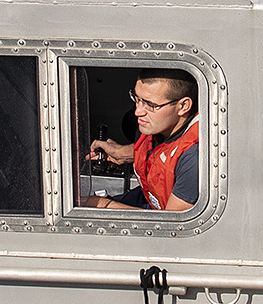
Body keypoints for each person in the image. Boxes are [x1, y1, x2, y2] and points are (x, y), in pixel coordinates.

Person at [83, 73, 201, 211]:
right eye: (137, 99)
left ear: (183, 106)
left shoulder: (194, 159)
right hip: (148, 196)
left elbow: (173, 226)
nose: (138, 111)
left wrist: (105, 205)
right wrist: (122, 153)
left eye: (150, 104)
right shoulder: (154, 124)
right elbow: (161, 151)